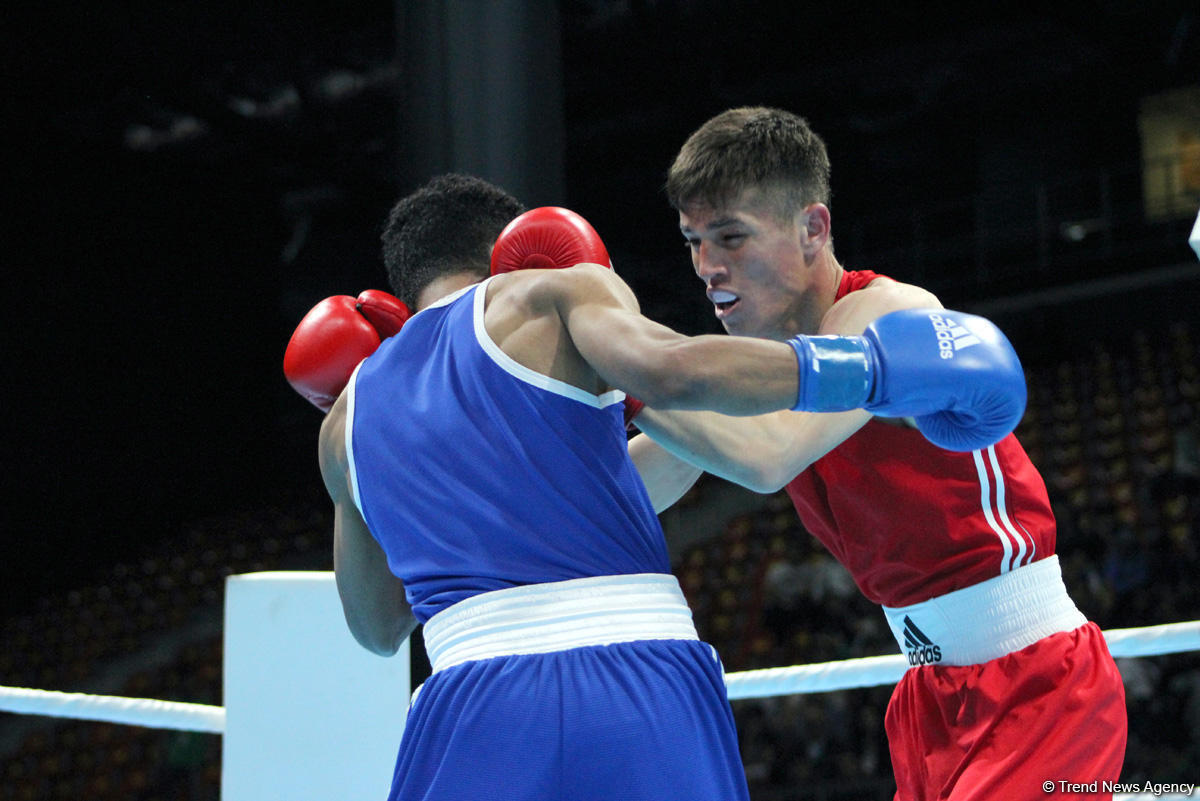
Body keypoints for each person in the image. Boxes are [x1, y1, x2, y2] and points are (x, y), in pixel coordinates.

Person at [283, 173, 1025, 801]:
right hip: (637, 674)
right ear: (510, 250)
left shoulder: (345, 420)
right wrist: (872, 369)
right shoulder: (547, 296)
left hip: (468, 698)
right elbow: (670, 371)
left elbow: (377, 630)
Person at [630, 106, 1128, 800]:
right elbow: (631, 483)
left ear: (813, 228)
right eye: (693, 241)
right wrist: (552, 405)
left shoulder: (889, 318)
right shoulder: (763, 365)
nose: (707, 267)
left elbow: (769, 456)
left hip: (1038, 683)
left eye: (731, 237)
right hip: (929, 697)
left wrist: (621, 364)